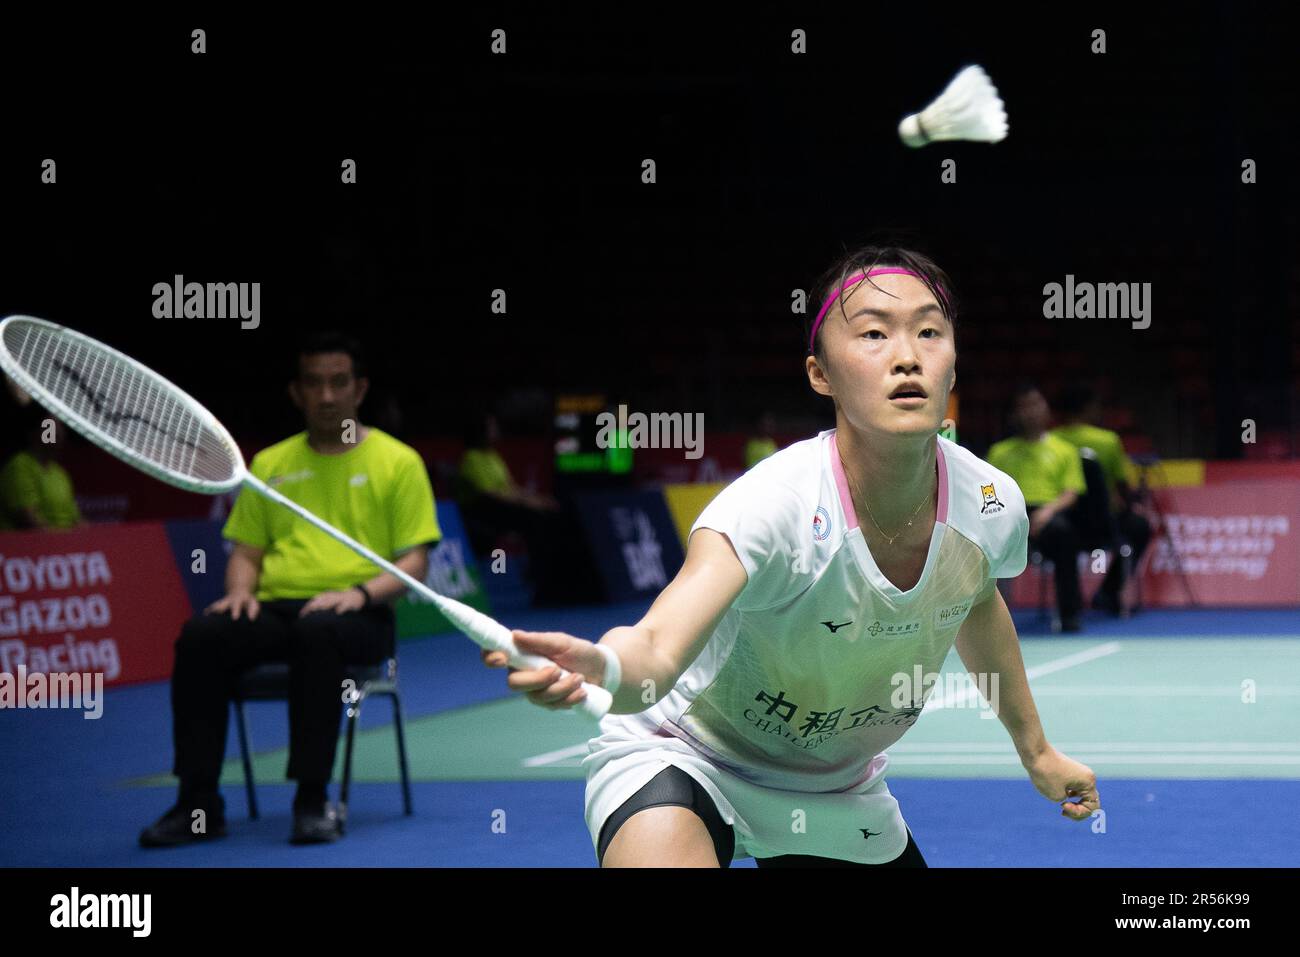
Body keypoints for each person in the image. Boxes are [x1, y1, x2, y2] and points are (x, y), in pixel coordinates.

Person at [482, 245, 1100, 867]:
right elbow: (658, 648)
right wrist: (606, 667)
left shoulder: (990, 504)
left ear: (953, 366)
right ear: (820, 374)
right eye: (874, 333)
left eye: (929, 332)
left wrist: (1037, 751)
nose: (907, 356)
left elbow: (973, 602)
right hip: (687, 754)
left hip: (835, 787)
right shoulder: (772, 505)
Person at [139, 331, 440, 847]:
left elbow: (414, 560)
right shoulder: (269, 465)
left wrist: (361, 595)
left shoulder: (398, 462)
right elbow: (247, 554)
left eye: (338, 383)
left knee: (318, 633)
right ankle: (198, 804)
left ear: (359, 389)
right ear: (296, 393)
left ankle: (311, 798)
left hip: (359, 616)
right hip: (279, 610)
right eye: (314, 384)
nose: (326, 396)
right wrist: (239, 593)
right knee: (201, 636)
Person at [987, 385, 1087, 632]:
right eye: (1025, 406)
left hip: (1048, 515)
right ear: (1015, 414)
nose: (1031, 412)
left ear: (1047, 411)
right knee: (986, 538)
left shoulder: (1064, 449)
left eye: (1036, 405)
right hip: (1010, 515)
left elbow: (1071, 493)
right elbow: (987, 490)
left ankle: (1069, 615)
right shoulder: (1000, 452)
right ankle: (992, 619)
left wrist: (1048, 512)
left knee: (1065, 535)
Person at [1051, 385, 1152, 615]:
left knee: (1062, 539)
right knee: (1140, 527)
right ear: (1087, 408)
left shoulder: (1052, 441)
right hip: (1106, 525)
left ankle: (1071, 603)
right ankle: (1108, 591)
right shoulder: (1108, 440)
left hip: (1065, 524)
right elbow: (1124, 486)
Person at [0, 405, 83, 531]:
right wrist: (64, 541)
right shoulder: (19, 466)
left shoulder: (59, 473)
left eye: (59, 427)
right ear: (33, 433)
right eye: (49, 427)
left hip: (66, 544)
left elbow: (76, 519)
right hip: (31, 546)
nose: (57, 433)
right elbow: (29, 522)